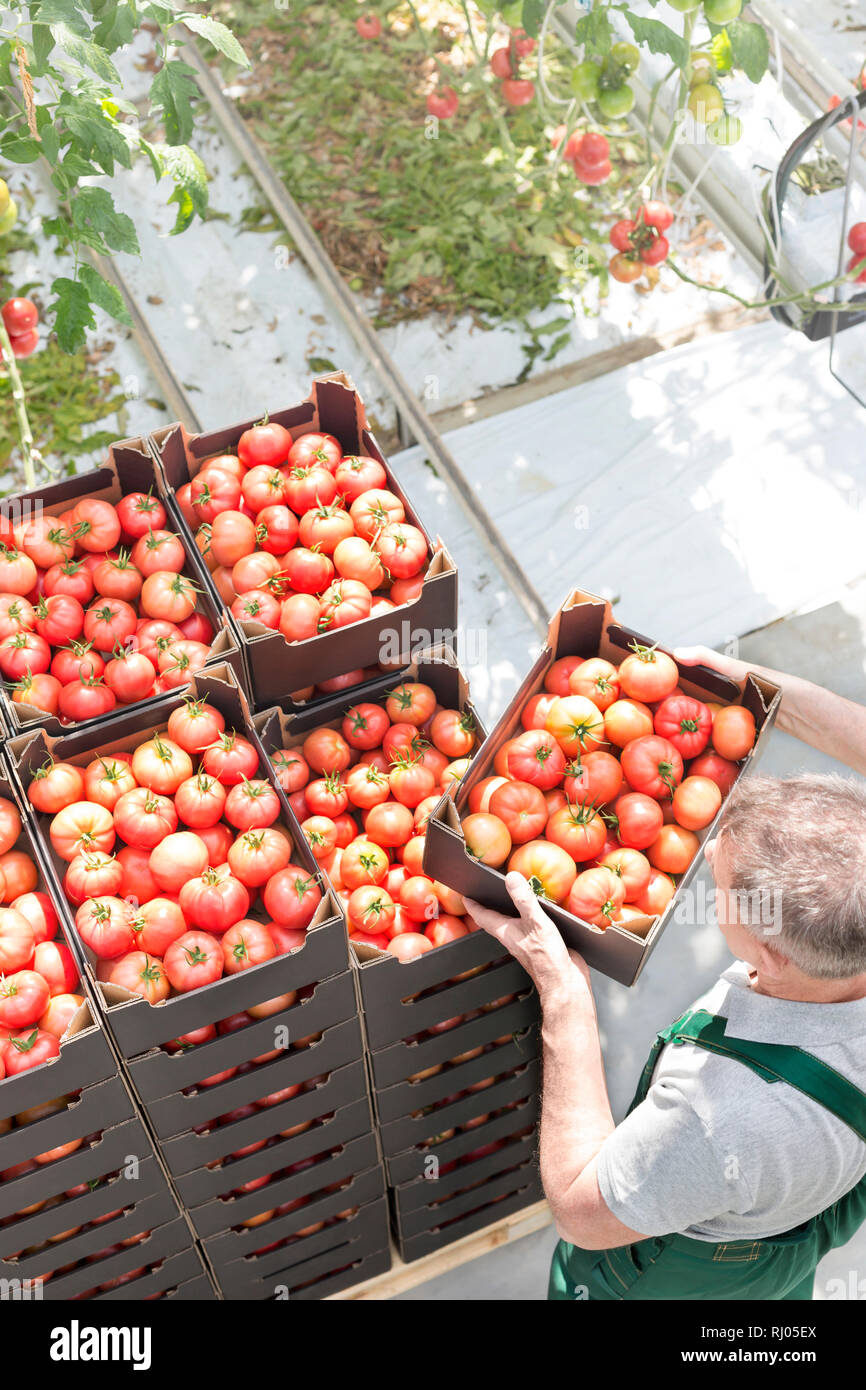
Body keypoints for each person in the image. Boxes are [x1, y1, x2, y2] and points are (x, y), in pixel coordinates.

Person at [464, 646, 866, 1301]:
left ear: (768, 956)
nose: (707, 859)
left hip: (685, 1276)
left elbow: (579, 1208)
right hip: (804, 1209)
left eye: (724, 890)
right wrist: (755, 685)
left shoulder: (722, 1116)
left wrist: (564, 992)